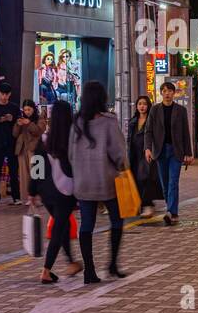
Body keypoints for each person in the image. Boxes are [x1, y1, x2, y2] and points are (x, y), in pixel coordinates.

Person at [68, 81, 129, 282]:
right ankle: (112, 264)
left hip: (83, 183)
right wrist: (124, 168)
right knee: (117, 221)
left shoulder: (76, 122)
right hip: (107, 182)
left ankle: (89, 271)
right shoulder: (109, 121)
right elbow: (119, 152)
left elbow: (70, 154)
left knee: (86, 226)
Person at [36, 100, 83, 283]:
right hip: (65, 190)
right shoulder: (73, 138)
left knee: (61, 226)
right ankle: (46, 270)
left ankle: (71, 262)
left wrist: (33, 190)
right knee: (58, 229)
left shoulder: (45, 139)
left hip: (47, 193)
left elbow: (36, 166)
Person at [146, 79, 193, 225]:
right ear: (161, 93)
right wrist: (147, 148)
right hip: (160, 150)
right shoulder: (155, 109)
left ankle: (171, 211)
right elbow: (149, 131)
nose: (167, 94)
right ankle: (171, 210)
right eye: (164, 91)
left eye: (170, 91)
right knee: (165, 183)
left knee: (173, 181)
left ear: (174, 93)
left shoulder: (181, 110)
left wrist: (189, 152)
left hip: (175, 150)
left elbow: (186, 132)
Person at [127, 95, 159, 217]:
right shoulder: (132, 122)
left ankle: (147, 204)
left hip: (147, 153)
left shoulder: (152, 121)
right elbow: (129, 140)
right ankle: (139, 204)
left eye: (144, 104)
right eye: (139, 104)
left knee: (145, 179)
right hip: (134, 154)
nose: (142, 106)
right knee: (136, 179)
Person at [13, 100, 44, 209]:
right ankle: (26, 198)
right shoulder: (21, 119)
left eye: (29, 110)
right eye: (25, 110)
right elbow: (14, 134)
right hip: (22, 149)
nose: (27, 112)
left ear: (33, 109)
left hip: (35, 149)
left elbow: (39, 131)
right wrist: (17, 124)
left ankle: (38, 198)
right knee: (23, 174)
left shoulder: (39, 119)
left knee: (36, 174)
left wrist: (29, 123)